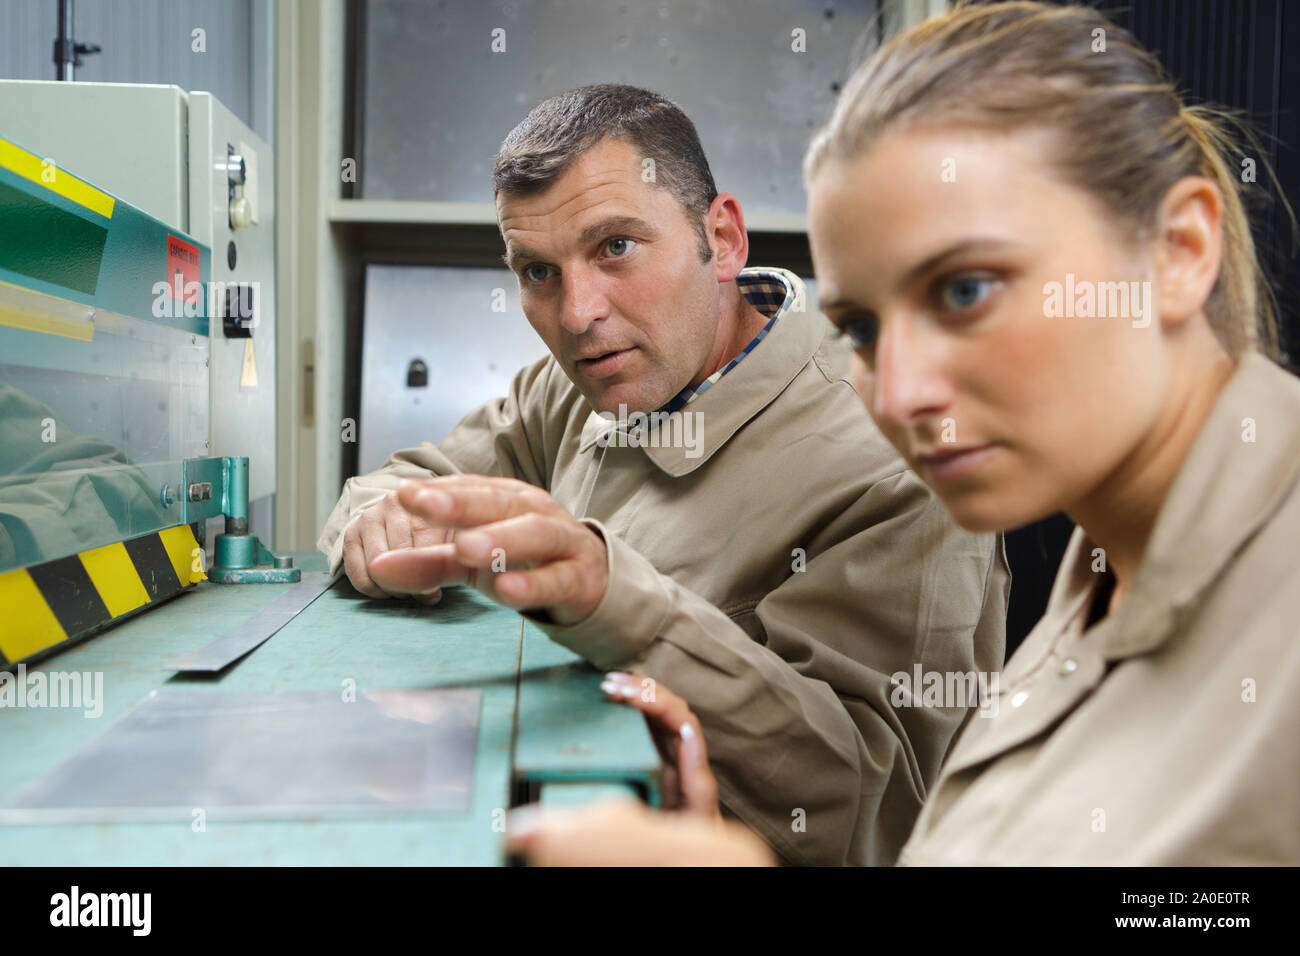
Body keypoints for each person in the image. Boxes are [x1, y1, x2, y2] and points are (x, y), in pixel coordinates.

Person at [507, 1, 1300, 866]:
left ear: (1178, 253)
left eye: (965, 291)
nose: (904, 395)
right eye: (863, 328)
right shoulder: (1110, 574)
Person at [317, 84, 1008, 866]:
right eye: (538, 272)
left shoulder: (894, 457)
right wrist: (381, 520)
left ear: (723, 238)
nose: (578, 314)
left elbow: (878, 803)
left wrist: (615, 601)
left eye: (616, 247)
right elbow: (409, 480)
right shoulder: (579, 385)